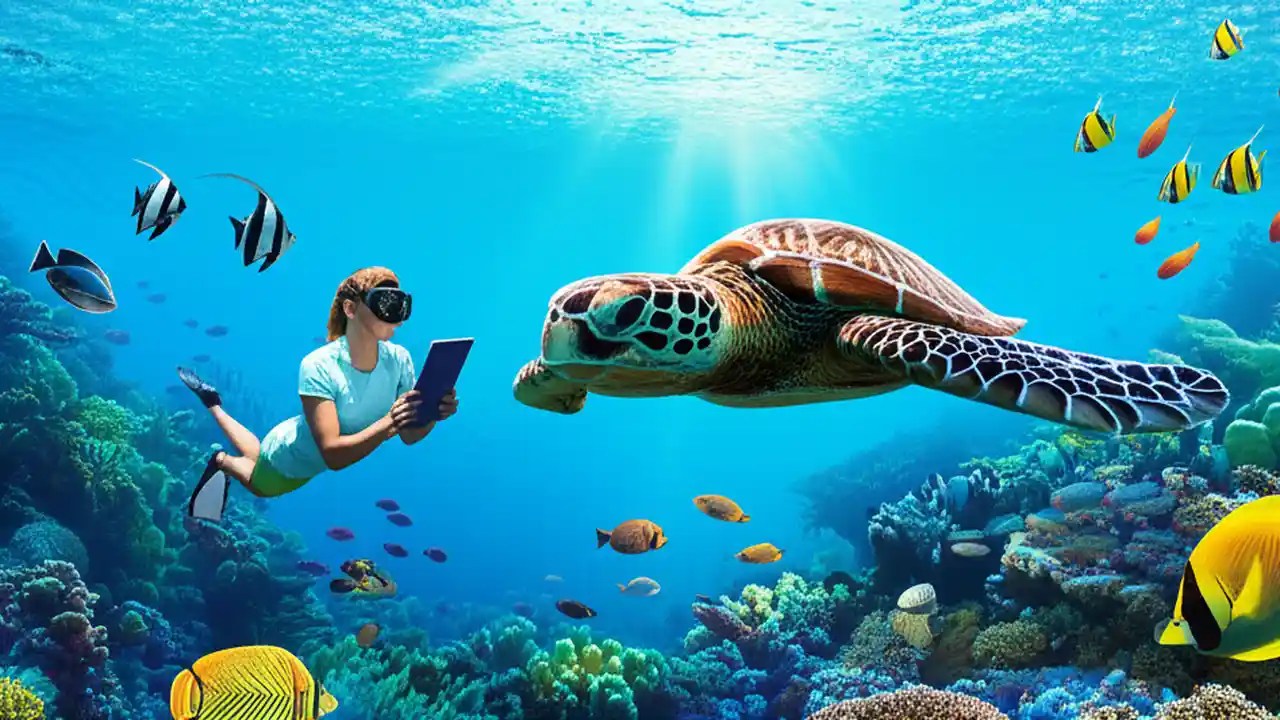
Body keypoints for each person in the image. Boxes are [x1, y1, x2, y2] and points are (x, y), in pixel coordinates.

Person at [177, 266, 459, 521]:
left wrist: (433, 414)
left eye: (401, 304)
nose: (395, 313)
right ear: (350, 309)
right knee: (262, 485)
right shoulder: (318, 365)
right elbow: (333, 456)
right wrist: (390, 423)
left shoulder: (400, 360)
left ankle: (212, 402)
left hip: (299, 452)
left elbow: (410, 435)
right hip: (291, 455)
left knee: (257, 452)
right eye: (385, 302)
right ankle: (221, 461)